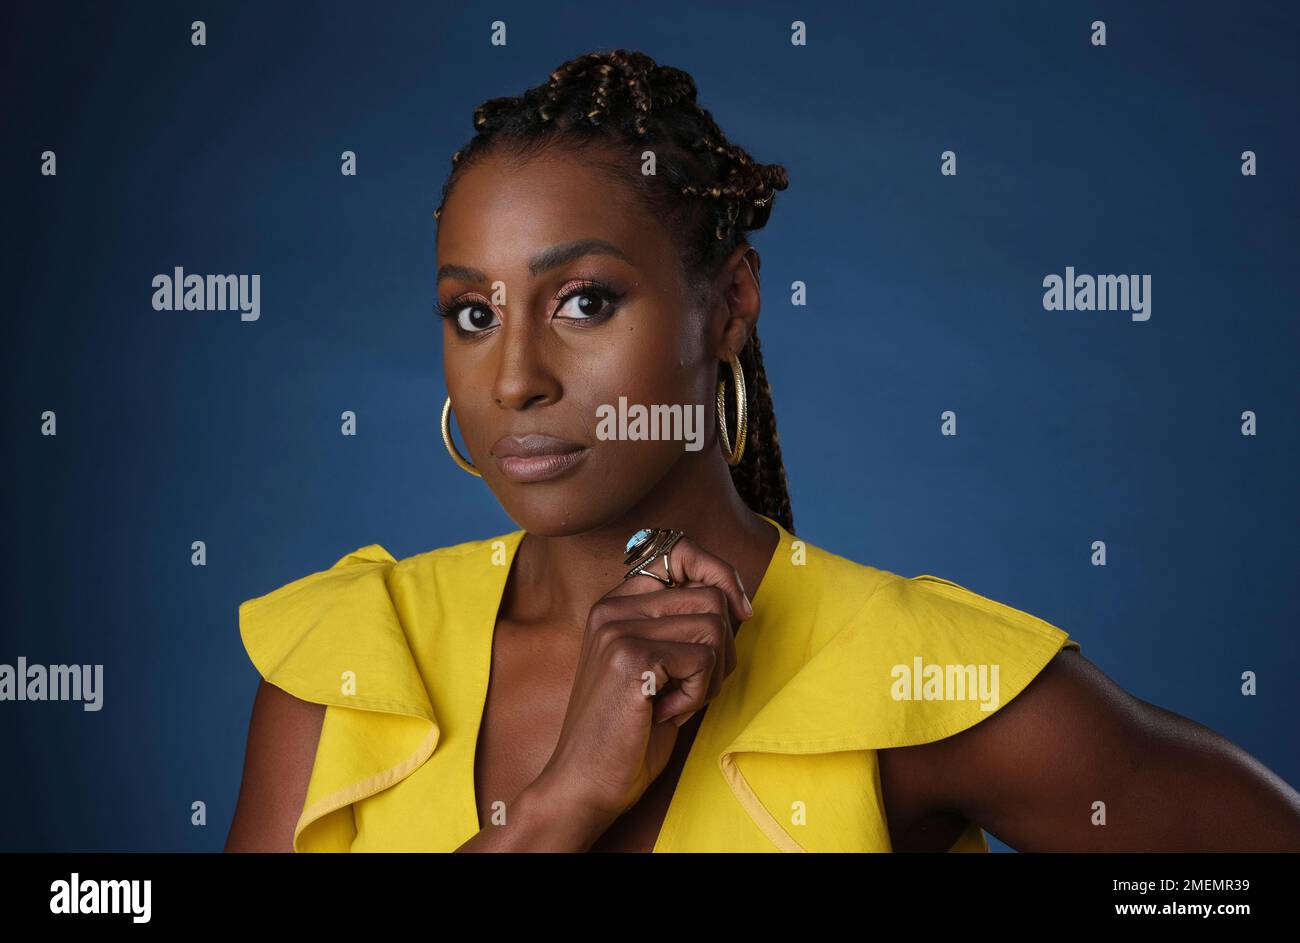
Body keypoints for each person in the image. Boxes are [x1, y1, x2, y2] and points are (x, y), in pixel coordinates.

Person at [225, 49, 1300, 853]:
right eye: (472, 314)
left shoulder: (898, 671)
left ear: (729, 303)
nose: (514, 378)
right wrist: (559, 809)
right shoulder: (354, 666)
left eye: (583, 301)